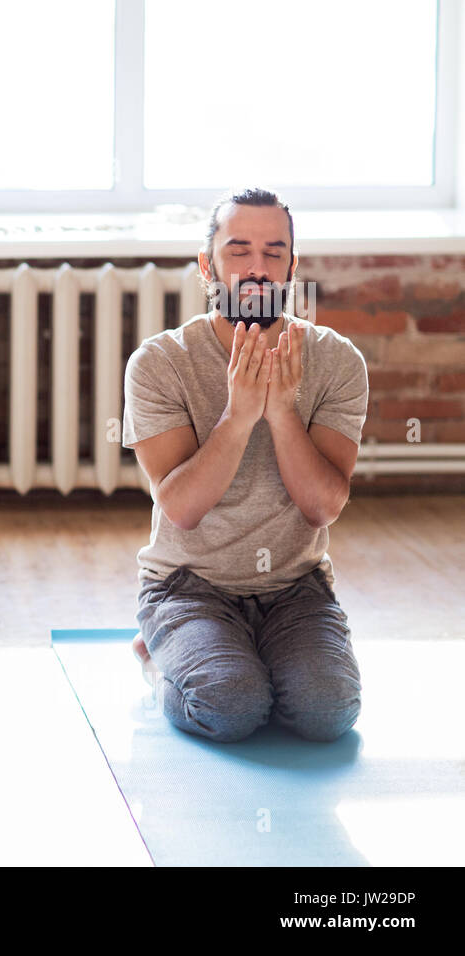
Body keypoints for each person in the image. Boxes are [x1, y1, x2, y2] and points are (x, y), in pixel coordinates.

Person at [121, 187, 367, 743]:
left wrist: (281, 414)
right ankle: (163, 651)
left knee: (328, 713)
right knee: (231, 709)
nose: (257, 268)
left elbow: (323, 506)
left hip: (295, 586)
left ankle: (251, 655)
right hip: (188, 585)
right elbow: (181, 509)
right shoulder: (159, 364)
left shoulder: (336, 361)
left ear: (292, 267)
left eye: (274, 252)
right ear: (207, 265)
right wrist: (237, 416)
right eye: (239, 251)